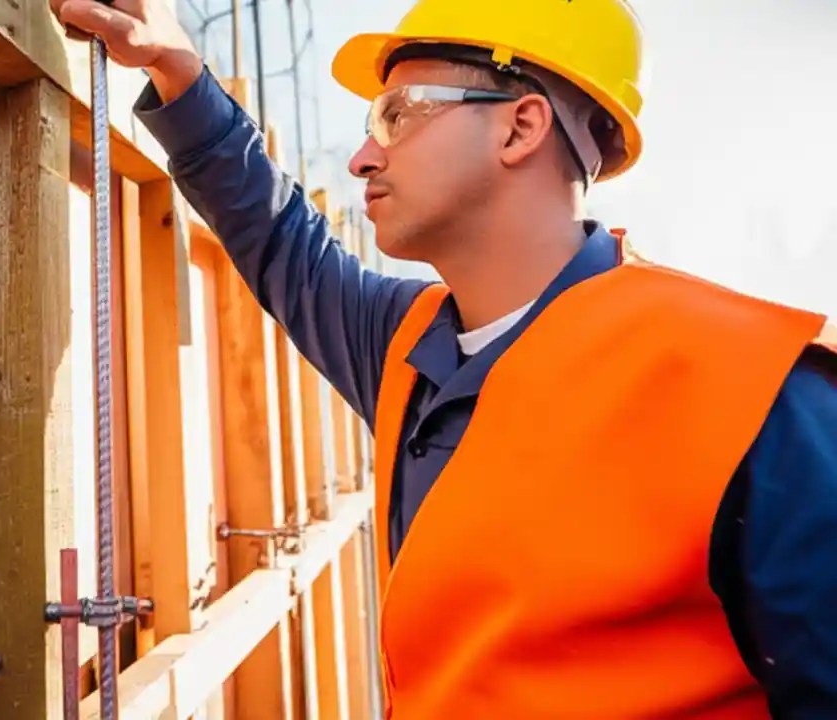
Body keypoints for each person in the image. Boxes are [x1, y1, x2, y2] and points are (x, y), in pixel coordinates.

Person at [50, 0, 837, 716]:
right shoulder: (408, 345)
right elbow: (279, 238)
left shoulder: (758, 390)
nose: (362, 156)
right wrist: (175, 67)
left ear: (521, 127)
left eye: (398, 115)